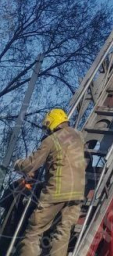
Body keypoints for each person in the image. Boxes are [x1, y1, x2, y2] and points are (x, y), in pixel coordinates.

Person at [14, 109, 86, 256]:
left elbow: (30, 165)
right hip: (78, 193)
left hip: (56, 191)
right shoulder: (78, 136)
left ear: (51, 123)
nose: (46, 130)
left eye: (47, 126)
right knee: (62, 232)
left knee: (33, 231)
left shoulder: (51, 140)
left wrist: (17, 164)